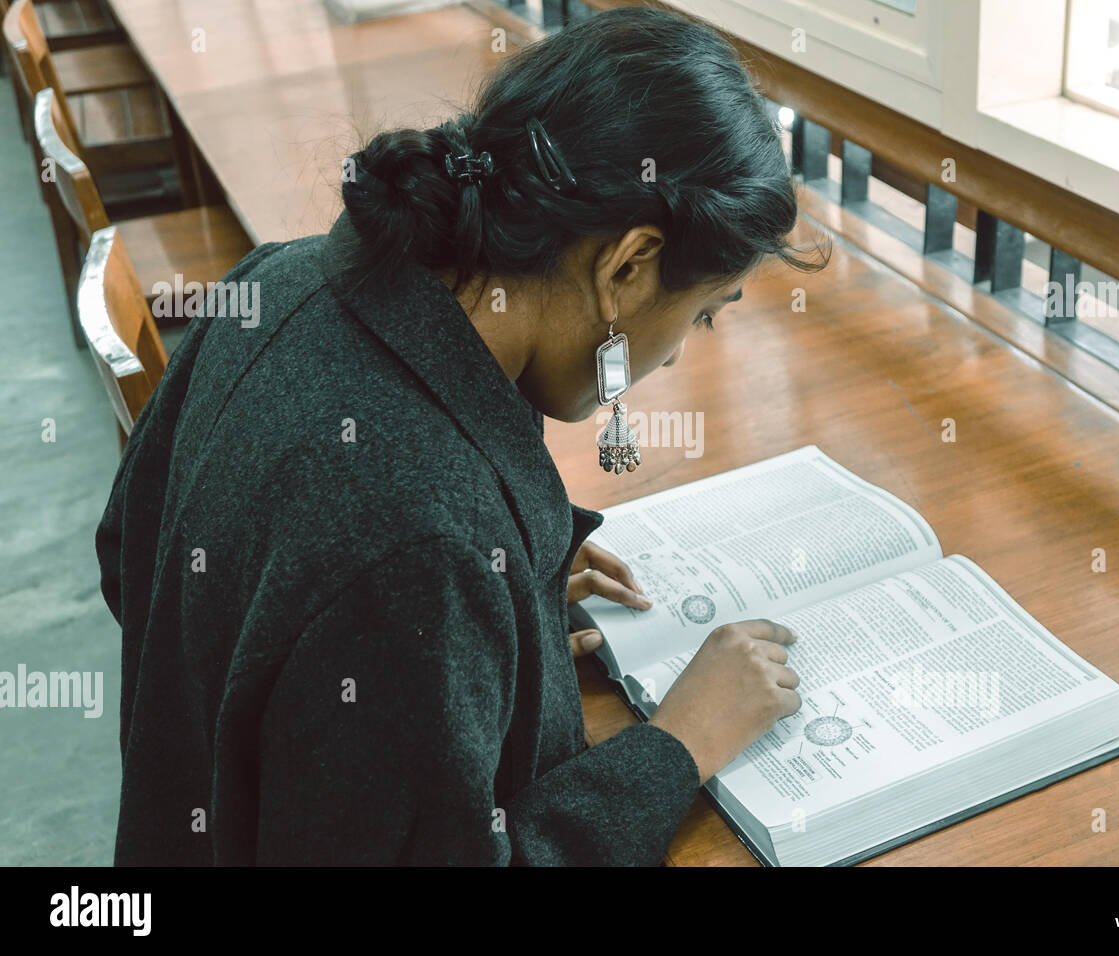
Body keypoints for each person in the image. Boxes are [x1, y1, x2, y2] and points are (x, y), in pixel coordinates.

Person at [97, 5, 829, 865]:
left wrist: (489, 622)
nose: (672, 360)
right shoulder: (423, 544)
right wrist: (681, 745)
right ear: (626, 266)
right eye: (702, 314)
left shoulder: (279, 277)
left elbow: (128, 550)